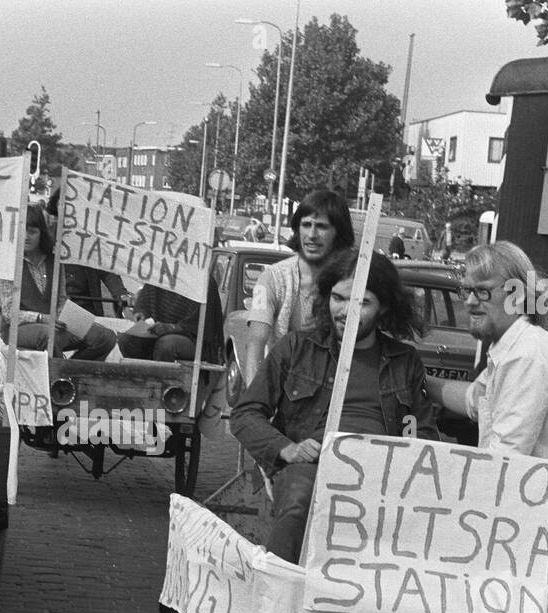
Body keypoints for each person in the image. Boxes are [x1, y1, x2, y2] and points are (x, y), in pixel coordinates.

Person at [231, 250, 439, 563]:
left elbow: (419, 431)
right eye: (338, 298)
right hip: (311, 468)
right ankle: (275, 592)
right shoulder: (297, 348)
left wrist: (405, 462)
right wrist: (286, 448)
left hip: (382, 477)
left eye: (361, 303)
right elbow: (245, 414)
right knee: (300, 502)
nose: (345, 312)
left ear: (384, 309)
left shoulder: (405, 361)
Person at [429, 241, 548, 464]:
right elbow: (474, 399)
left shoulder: (527, 355)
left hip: (539, 496)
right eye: (467, 290)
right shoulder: (511, 346)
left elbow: (505, 457)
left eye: (482, 291)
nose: (469, 302)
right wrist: (420, 380)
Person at [242, 189, 355, 383]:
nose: (312, 235)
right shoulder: (273, 279)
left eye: (321, 227)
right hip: (283, 388)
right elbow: (256, 343)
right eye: (306, 225)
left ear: (338, 233)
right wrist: (252, 404)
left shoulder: (351, 283)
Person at [0, 204, 116, 360]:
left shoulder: (54, 261)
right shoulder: (10, 263)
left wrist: (68, 318)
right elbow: (8, 312)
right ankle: (59, 379)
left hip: (53, 323)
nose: (26, 236)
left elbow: (61, 299)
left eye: (32, 232)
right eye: (23, 231)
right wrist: (42, 318)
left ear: (42, 233)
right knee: (49, 337)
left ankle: (72, 374)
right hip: (18, 328)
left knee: (105, 336)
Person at [45, 192, 131, 317]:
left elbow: (107, 272)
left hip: (88, 311)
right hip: (53, 311)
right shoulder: (45, 239)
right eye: (63, 205)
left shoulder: (90, 241)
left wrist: (122, 295)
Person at [117, 278, 223, 365]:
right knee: (125, 339)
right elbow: (144, 303)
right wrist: (141, 313)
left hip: (194, 339)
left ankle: (161, 384)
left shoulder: (204, 281)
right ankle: (135, 379)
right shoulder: (161, 271)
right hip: (156, 330)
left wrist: (171, 328)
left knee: (166, 345)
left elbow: (199, 326)